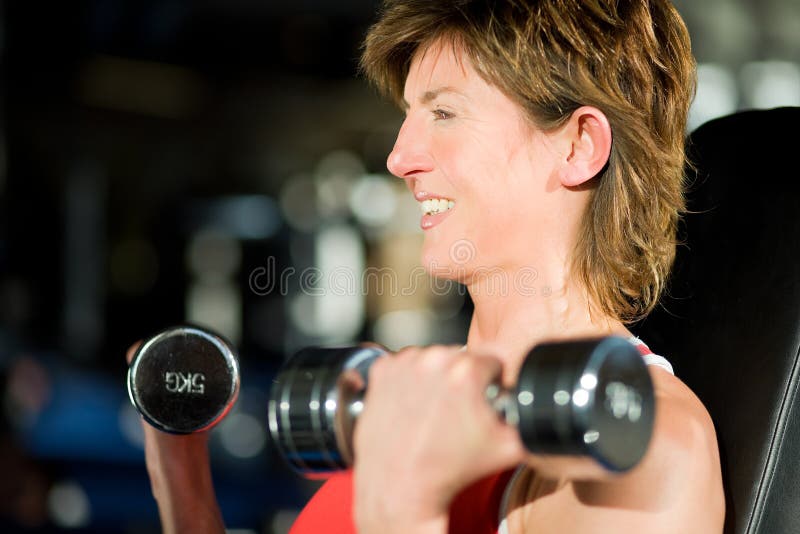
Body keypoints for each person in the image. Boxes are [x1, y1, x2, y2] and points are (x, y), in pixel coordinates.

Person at [130, 0, 725, 532]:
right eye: (409, 115)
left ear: (578, 145)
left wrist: (406, 500)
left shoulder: (639, 439)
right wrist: (179, 463)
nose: (399, 157)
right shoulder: (416, 394)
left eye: (444, 113)